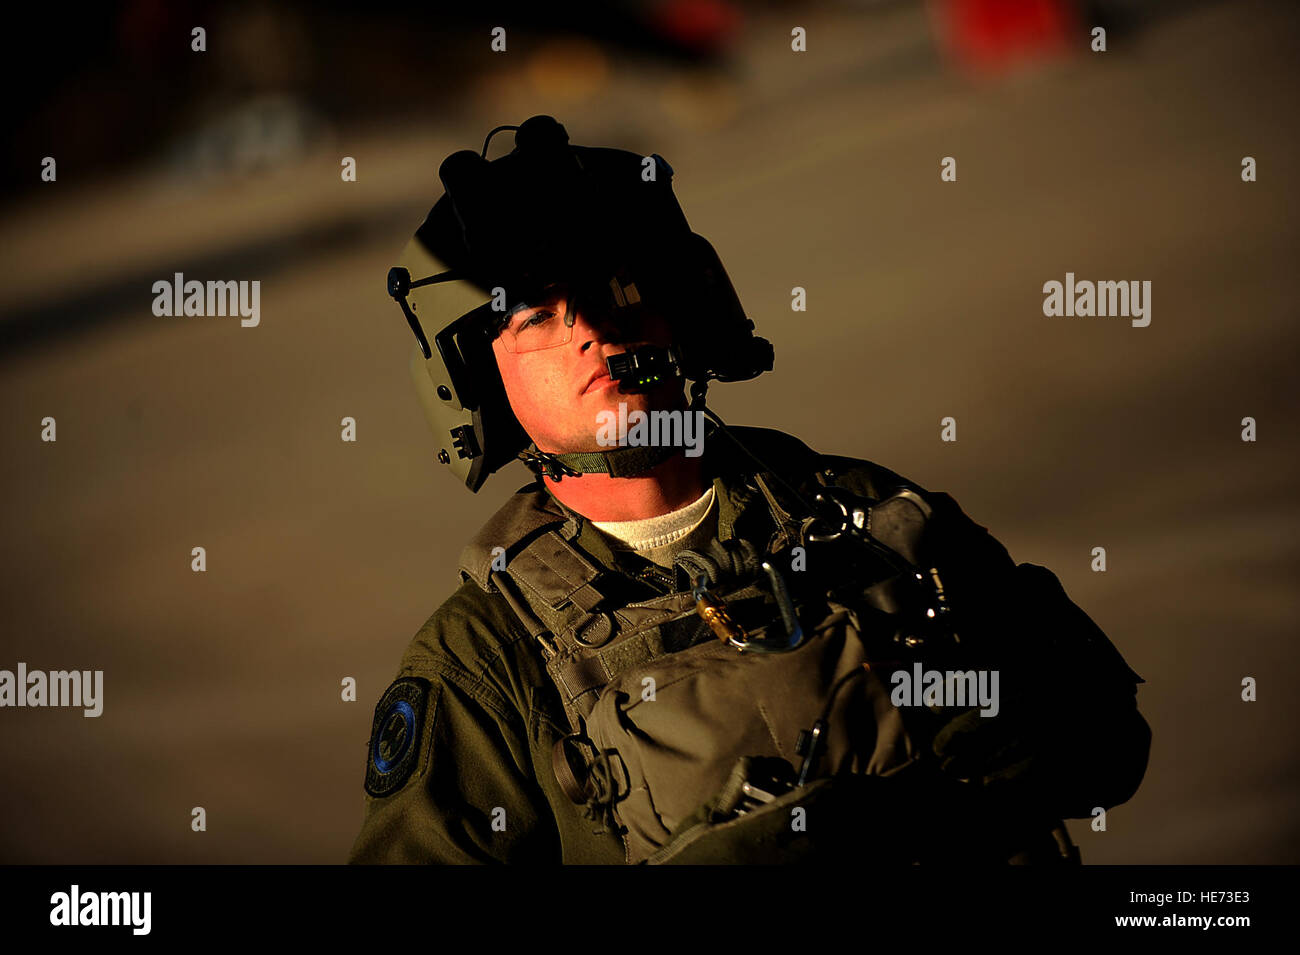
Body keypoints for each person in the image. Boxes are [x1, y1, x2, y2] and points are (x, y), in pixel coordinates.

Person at [347, 116, 1151, 864]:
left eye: (617, 286)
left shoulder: (868, 514)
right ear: (475, 384)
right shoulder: (484, 659)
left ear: (679, 307)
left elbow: (1111, 748)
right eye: (536, 317)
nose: (590, 327)